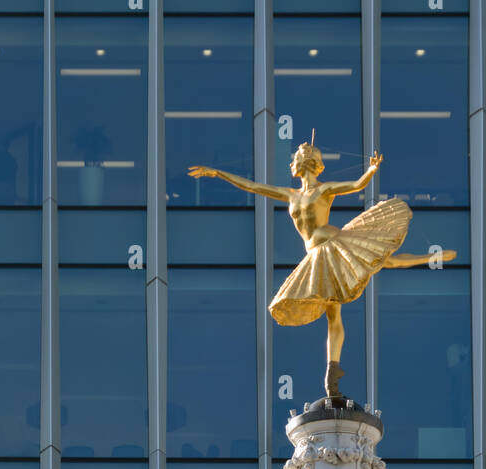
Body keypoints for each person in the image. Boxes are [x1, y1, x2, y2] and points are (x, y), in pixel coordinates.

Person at [189, 140, 456, 398]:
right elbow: (253, 187)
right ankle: (332, 369)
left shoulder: (323, 190)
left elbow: (354, 185)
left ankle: (429, 257)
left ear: (305, 162)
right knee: (333, 314)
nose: (291, 163)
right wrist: (218, 173)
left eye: (294, 158)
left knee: (385, 261)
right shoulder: (289, 194)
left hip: (332, 243)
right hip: (316, 256)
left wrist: (371, 171)